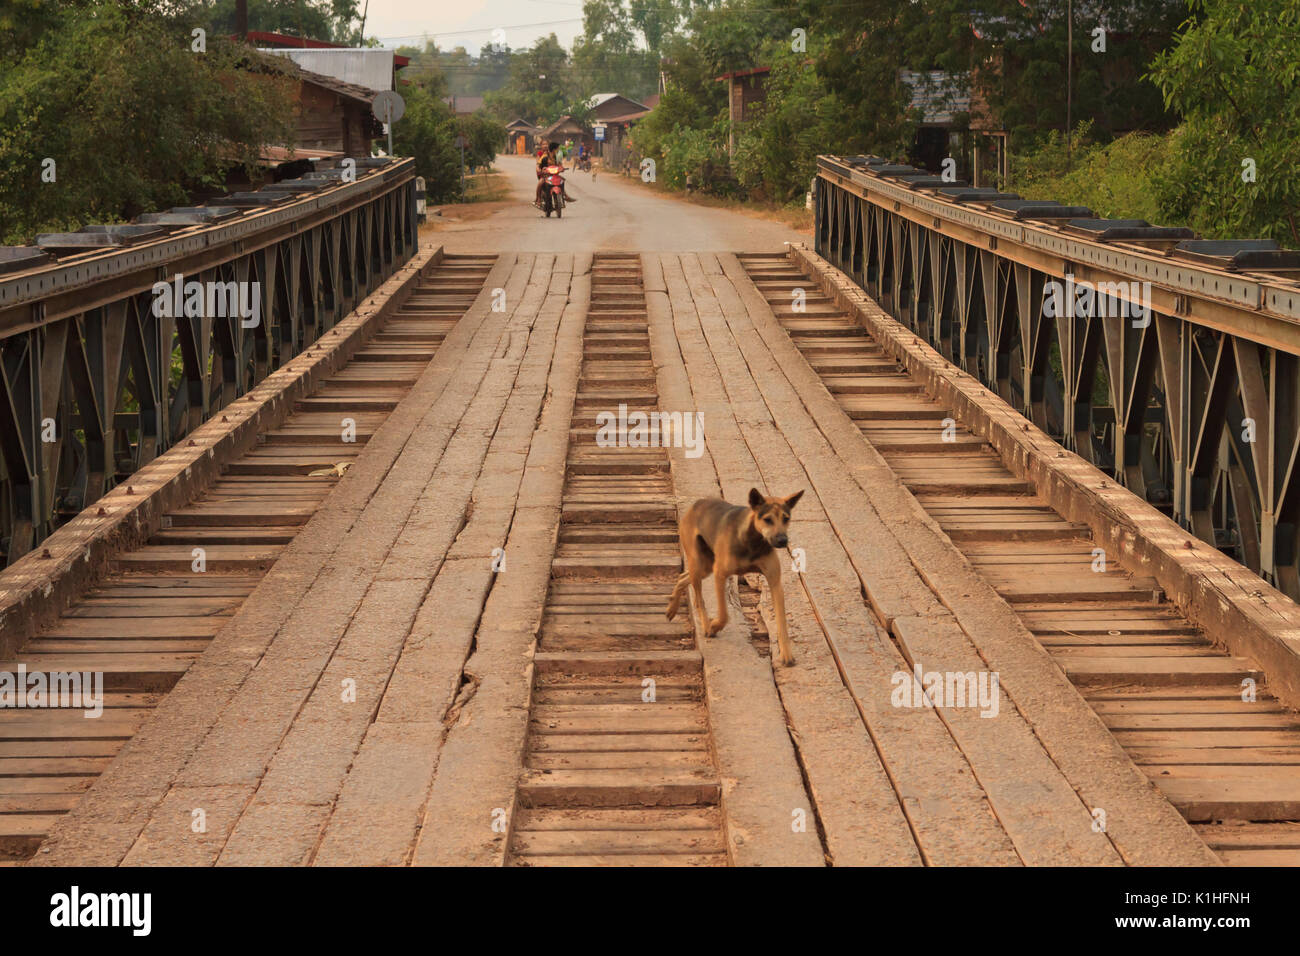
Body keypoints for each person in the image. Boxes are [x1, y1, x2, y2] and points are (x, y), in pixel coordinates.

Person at [535, 141, 577, 207]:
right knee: (540, 183)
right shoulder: (544, 156)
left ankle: (565, 195)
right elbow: (538, 164)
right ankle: (538, 199)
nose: (559, 150)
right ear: (554, 149)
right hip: (546, 175)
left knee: (562, 180)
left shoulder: (557, 157)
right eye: (557, 149)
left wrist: (562, 168)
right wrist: (539, 169)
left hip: (554, 175)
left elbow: (560, 164)